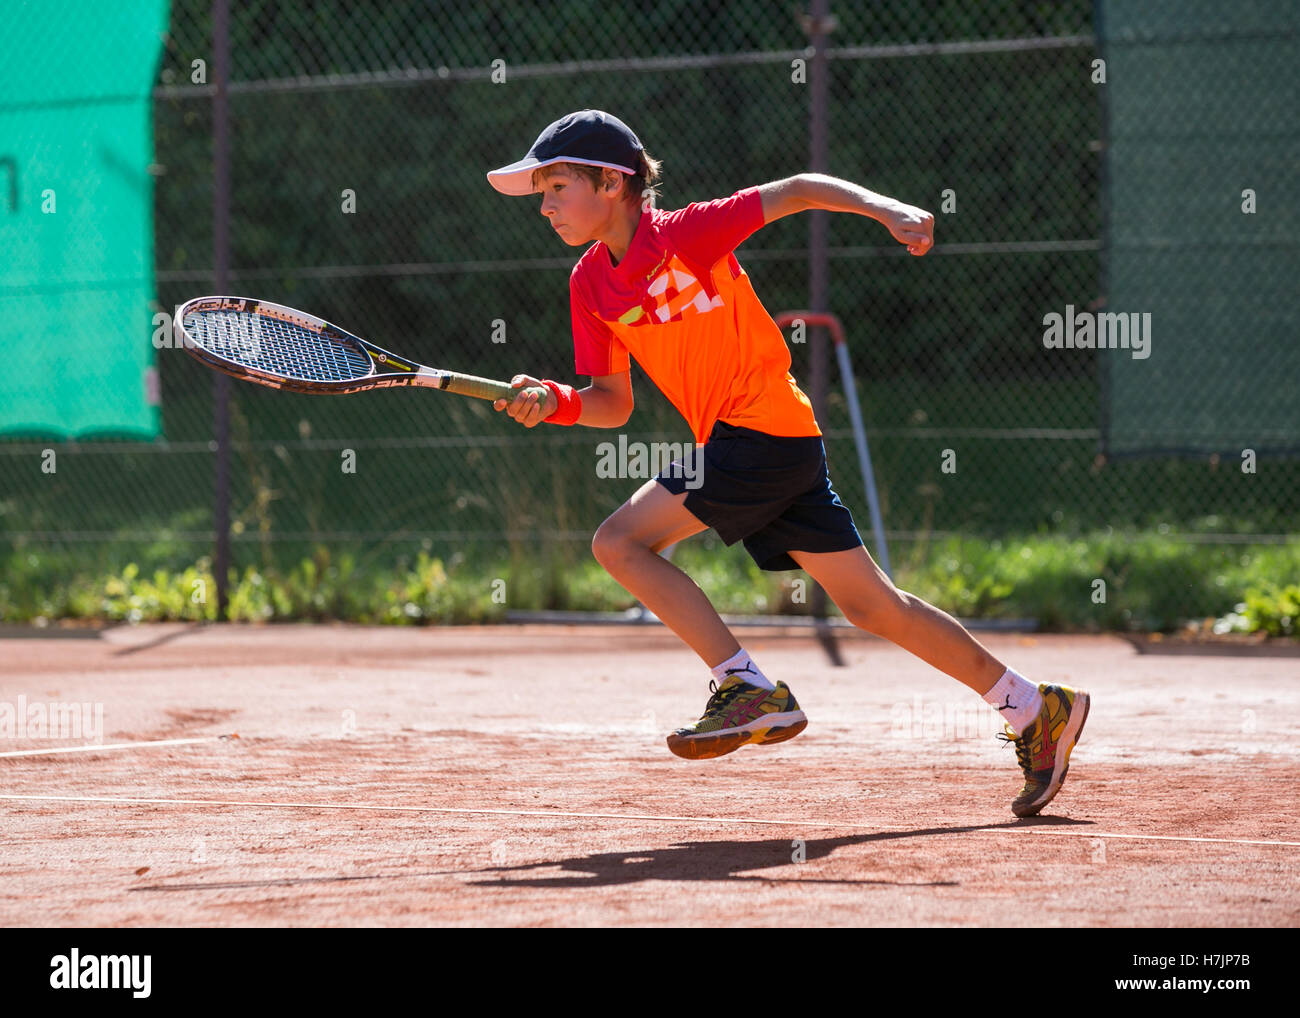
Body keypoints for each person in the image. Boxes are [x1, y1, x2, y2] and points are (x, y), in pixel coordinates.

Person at [487, 110, 1088, 817]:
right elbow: (610, 402)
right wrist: (552, 399)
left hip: (761, 436)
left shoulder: (685, 234)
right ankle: (1033, 708)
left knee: (619, 542)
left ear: (613, 184)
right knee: (873, 606)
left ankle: (744, 686)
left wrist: (884, 209)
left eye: (557, 185)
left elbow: (799, 189)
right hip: (772, 444)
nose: (546, 204)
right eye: (542, 192)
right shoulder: (589, 283)